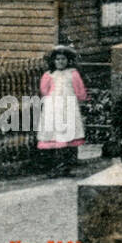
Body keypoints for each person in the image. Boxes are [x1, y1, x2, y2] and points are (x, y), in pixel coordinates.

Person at [37, 45, 87, 176]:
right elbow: (44, 91)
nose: (60, 62)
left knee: (67, 135)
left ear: (68, 60)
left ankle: (65, 167)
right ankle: (53, 168)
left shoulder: (73, 74)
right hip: (53, 108)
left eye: (63, 59)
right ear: (53, 61)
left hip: (69, 107)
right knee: (54, 135)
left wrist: (78, 100)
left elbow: (80, 91)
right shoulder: (49, 75)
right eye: (57, 59)